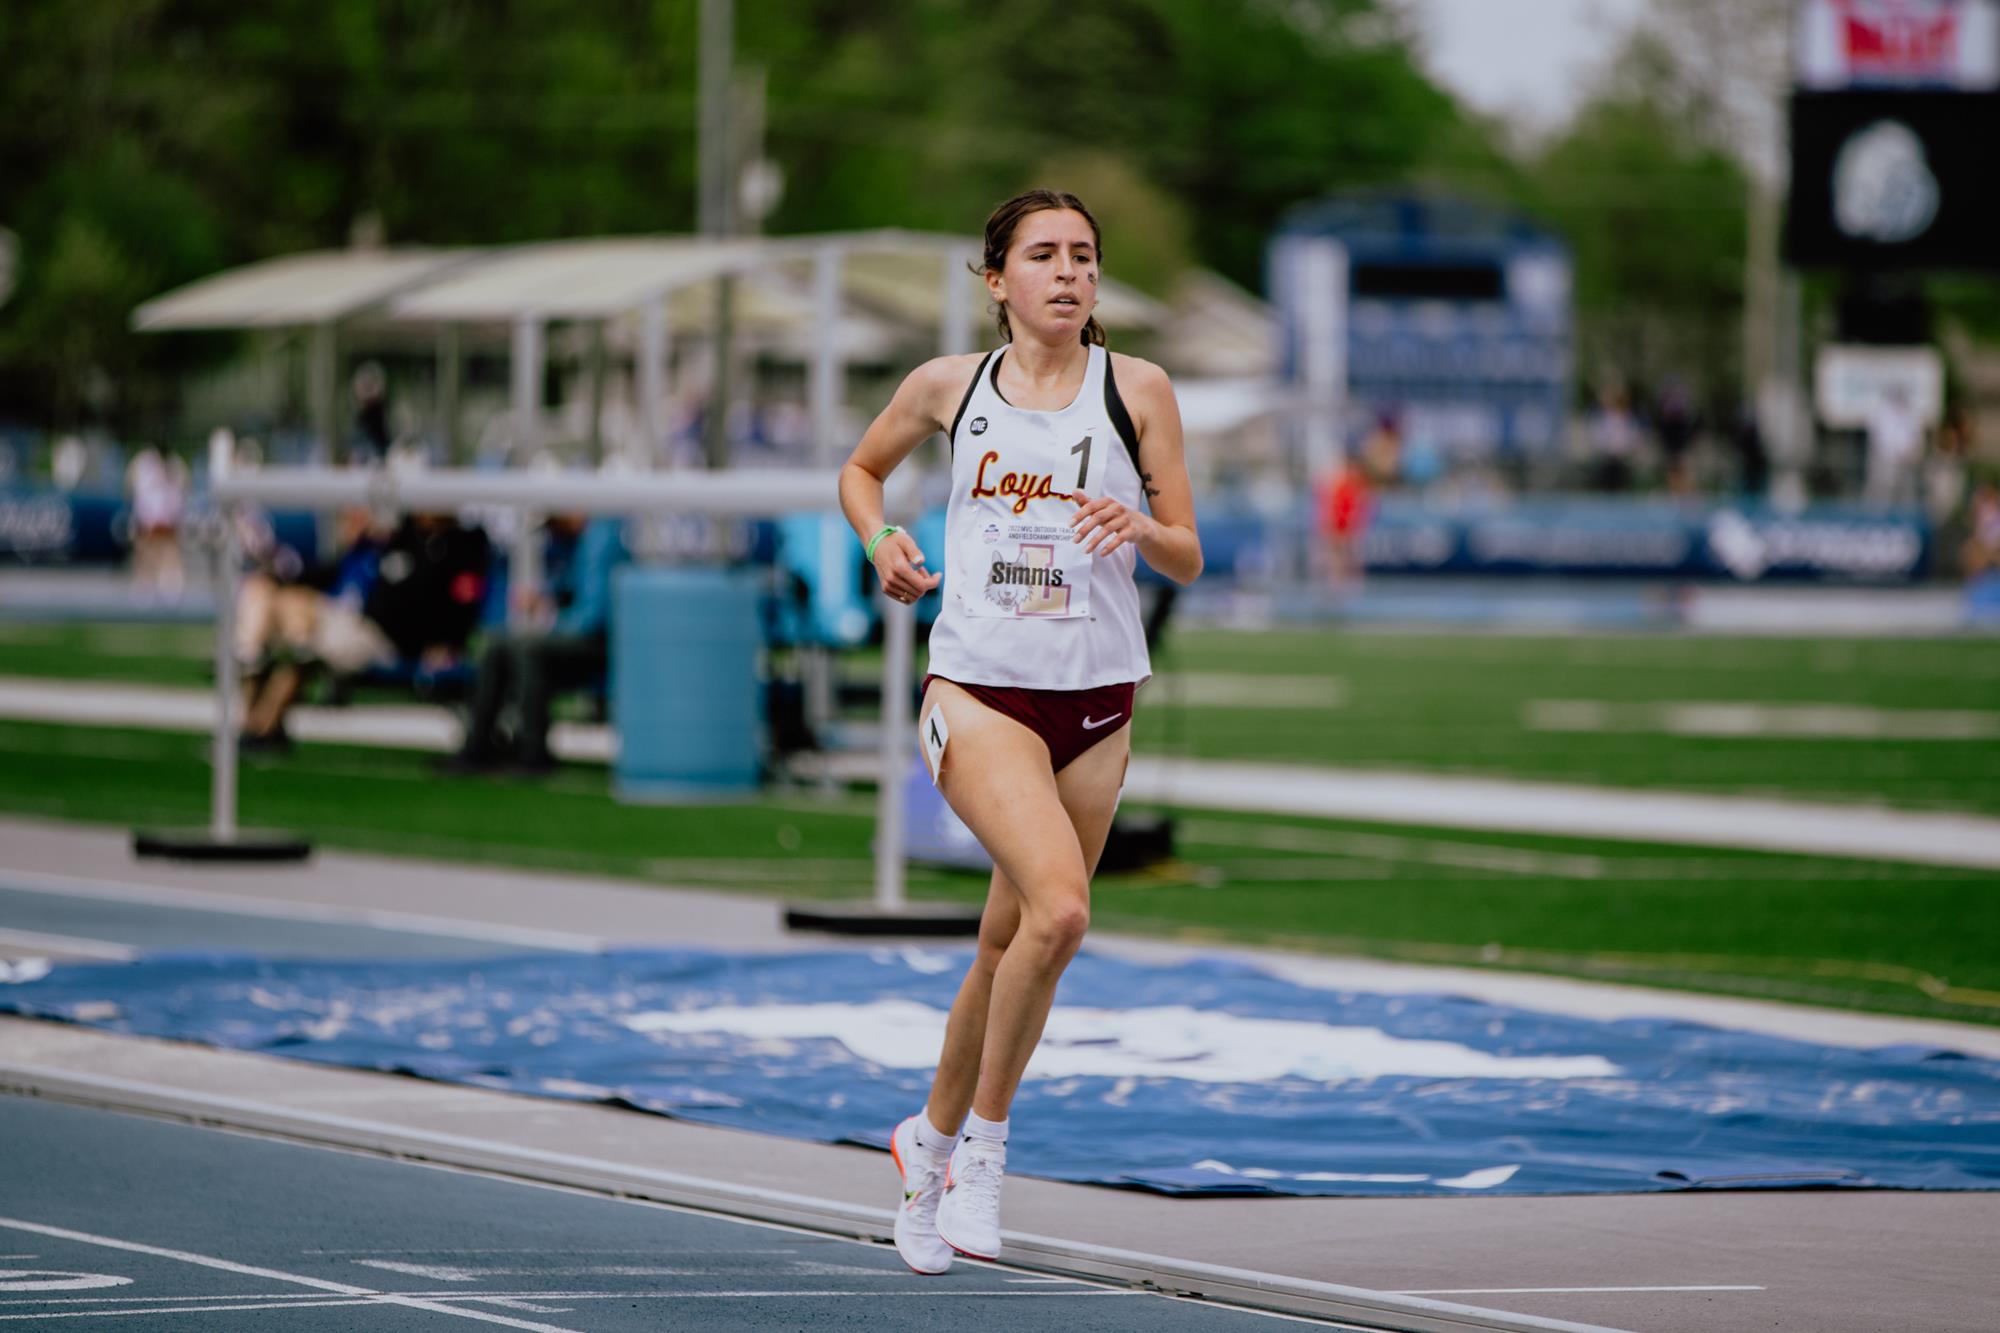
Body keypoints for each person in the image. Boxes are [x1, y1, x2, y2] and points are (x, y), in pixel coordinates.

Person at [838, 189, 1201, 1274]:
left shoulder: (1136, 390)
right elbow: (860, 473)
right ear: (995, 279)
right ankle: (986, 1156)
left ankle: (926, 1143)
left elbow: (1185, 549)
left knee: (1008, 946)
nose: (1066, 273)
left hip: (1095, 701)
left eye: (1082, 257)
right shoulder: (948, 388)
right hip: (979, 690)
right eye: (1042, 255)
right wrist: (879, 539)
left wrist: (1140, 524)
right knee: (1062, 908)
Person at [239, 512, 490, 751]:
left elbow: (458, 606)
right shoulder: (398, 538)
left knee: (296, 623)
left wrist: (447, 643)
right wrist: (360, 541)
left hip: (384, 641)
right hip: (353, 628)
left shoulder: (461, 546)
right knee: (266, 594)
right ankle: (257, 712)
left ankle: (255, 715)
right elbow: (327, 576)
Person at [442, 514, 628, 774]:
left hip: (606, 643)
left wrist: (550, 619)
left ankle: (533, 752)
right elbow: (570, 595)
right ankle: (477, 747)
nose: (553, 531)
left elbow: (592, 618)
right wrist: (544, 602)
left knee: (527, 648)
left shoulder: (601, 539)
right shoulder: (580, 542)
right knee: (496, 644)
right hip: (584, 638)